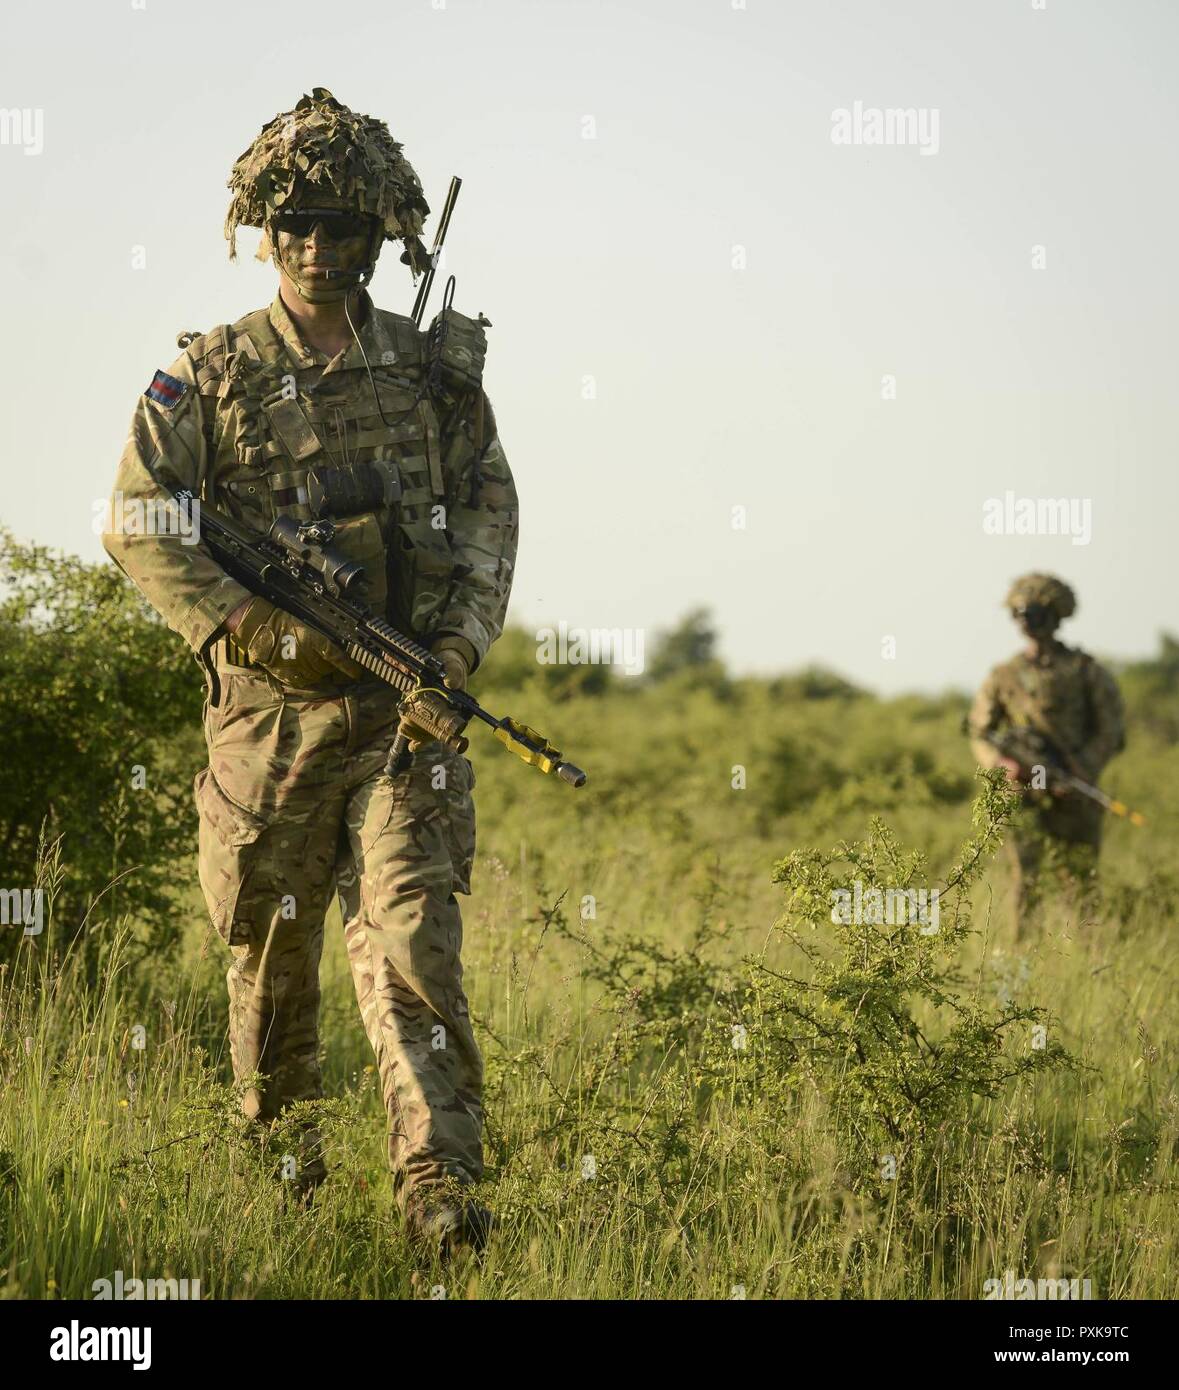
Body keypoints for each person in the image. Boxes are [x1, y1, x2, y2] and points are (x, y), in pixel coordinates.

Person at [102, 88, 519, 1253]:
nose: (319, 248)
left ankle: (438, 1191)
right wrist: (246, 623)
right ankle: (286, 1190)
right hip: (270, 723)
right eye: (295, 225)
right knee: (272, 965)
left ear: (381, 234)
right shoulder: (210, 373)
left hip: (402, 715)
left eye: (342, 226)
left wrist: (454, 648)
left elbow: (489, 510)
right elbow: (138, 518)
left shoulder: (431, 374)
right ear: (263, 230)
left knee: (411, 944)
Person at [968, 573, 1125, 931]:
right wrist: (1001, 764)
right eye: (1019, 614)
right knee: (1025, 877)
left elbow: (1111, 730)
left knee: (1081, 879)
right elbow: (979, 731)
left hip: (1074, 790)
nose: (1025, 622)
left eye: (1034, 613)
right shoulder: (1004, 675)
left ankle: (1088, 954)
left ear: (1054, 616)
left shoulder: (1085, 671)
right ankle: (1023, 952)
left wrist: (1082, 770)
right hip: (1023, 792)